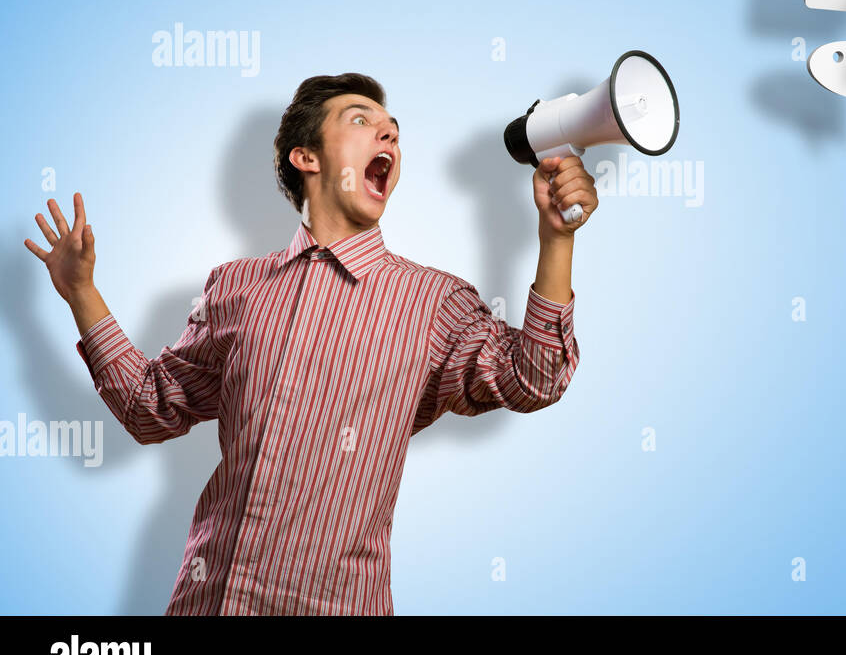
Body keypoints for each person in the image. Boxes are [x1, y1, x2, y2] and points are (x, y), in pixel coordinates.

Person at [23, 72, 597, 614]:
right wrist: (80, 292)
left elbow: (535, 377)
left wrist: (555, 239)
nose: (389, 132)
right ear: (307, 157)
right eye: (359, 119)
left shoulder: (433, 303)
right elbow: (149, 408)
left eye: (393, 127)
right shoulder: (236, 285)